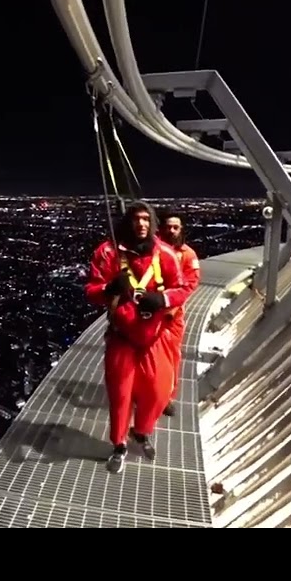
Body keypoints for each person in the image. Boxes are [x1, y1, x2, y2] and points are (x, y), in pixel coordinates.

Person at [85, 201, 195, 474]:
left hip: (153, 335)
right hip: (122, 337)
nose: (142, 224)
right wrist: (110, 287)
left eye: (147, 219)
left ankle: (142, 432)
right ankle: (119, 444)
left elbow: (182, 288)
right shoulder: (109, 252)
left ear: (152, 223)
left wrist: (162, 299)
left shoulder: (166, 254)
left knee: (158, 393)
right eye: (136, 219)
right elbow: (91, 289)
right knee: (120, 395)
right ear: (129, 222)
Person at [156, 209, 201, 417]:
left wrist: (173, 307)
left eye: (175, 227)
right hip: (151, 309)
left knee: (172, 356)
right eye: (168, 227)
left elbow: (190, 284)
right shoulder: (152, 250)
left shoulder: (187, 255)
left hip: (172, 314)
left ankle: (167, 397)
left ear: (181, 230)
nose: (171, 231)